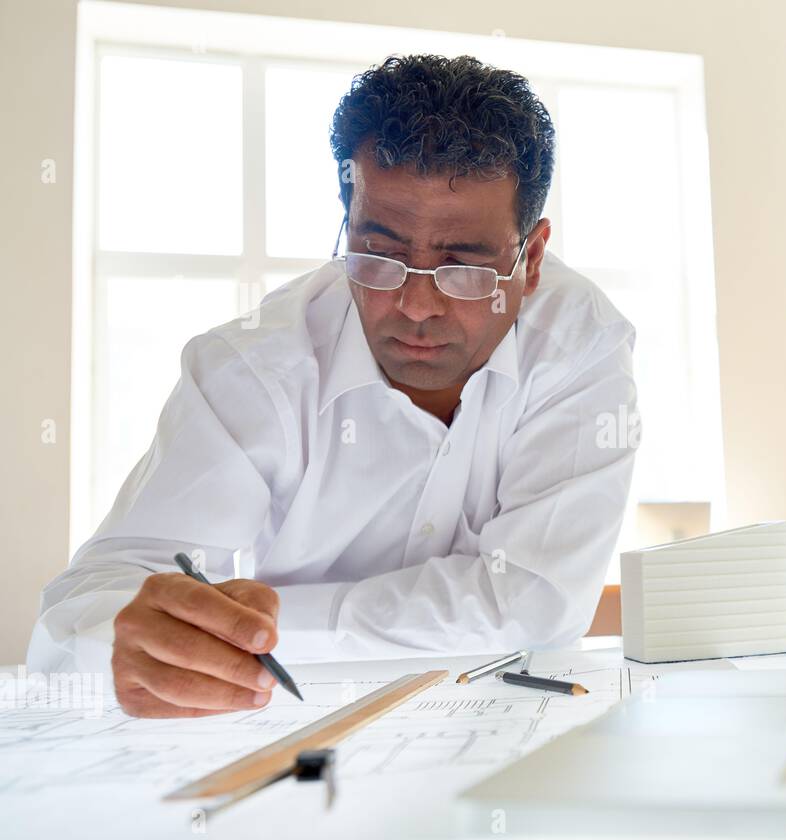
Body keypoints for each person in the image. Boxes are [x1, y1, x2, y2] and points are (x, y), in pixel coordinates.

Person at [27, 54, 638, 718]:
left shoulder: (583, 343)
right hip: (286, 733)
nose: (416, 304)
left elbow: (536, 606)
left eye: (463, 265)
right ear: (348, 225)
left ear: (533, 256)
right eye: (379, 254)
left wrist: (265, 628)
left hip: (505, 723)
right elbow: (73, 619)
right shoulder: (253, 368)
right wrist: (127, 633)